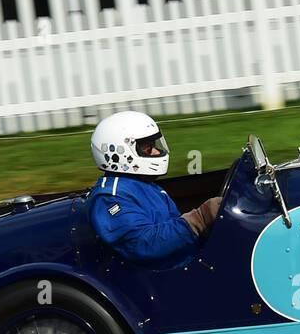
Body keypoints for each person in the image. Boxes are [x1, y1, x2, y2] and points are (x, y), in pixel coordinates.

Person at [87, 110, 222, 268]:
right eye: (148, 148)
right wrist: (199, 219)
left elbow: (173, 228)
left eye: (154, 146)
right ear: (119, 153)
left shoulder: (145, 185)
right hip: (161, 278)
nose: (157, 152)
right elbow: (143, 245)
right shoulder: (111, 197)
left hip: (184, 262)